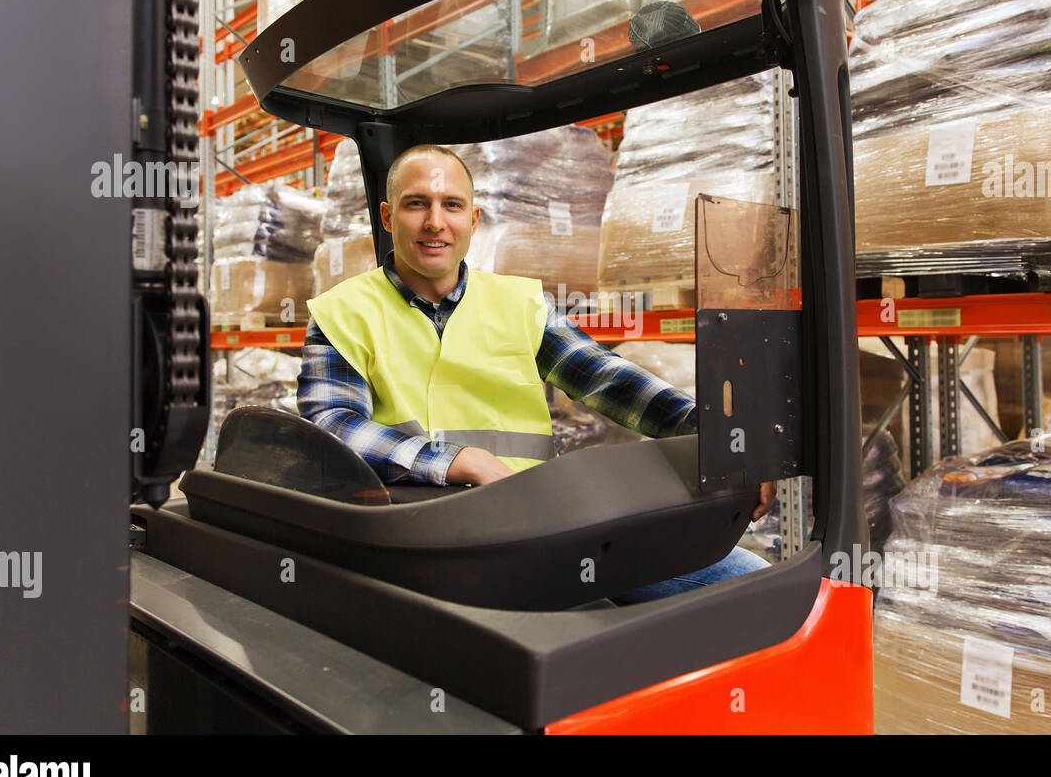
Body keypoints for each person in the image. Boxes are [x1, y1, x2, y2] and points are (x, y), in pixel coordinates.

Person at [299, 144, 772, 601]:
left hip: (534, 527)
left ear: (473, 220)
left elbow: (609, 379)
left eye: (452, 205)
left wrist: (718, 436)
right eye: (416, 205)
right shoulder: (343, 312)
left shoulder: (521, 303)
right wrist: (459, 460)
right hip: (414, 536)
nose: (435, 222)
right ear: (386, 217)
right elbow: (332, 425)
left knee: (754, 585)